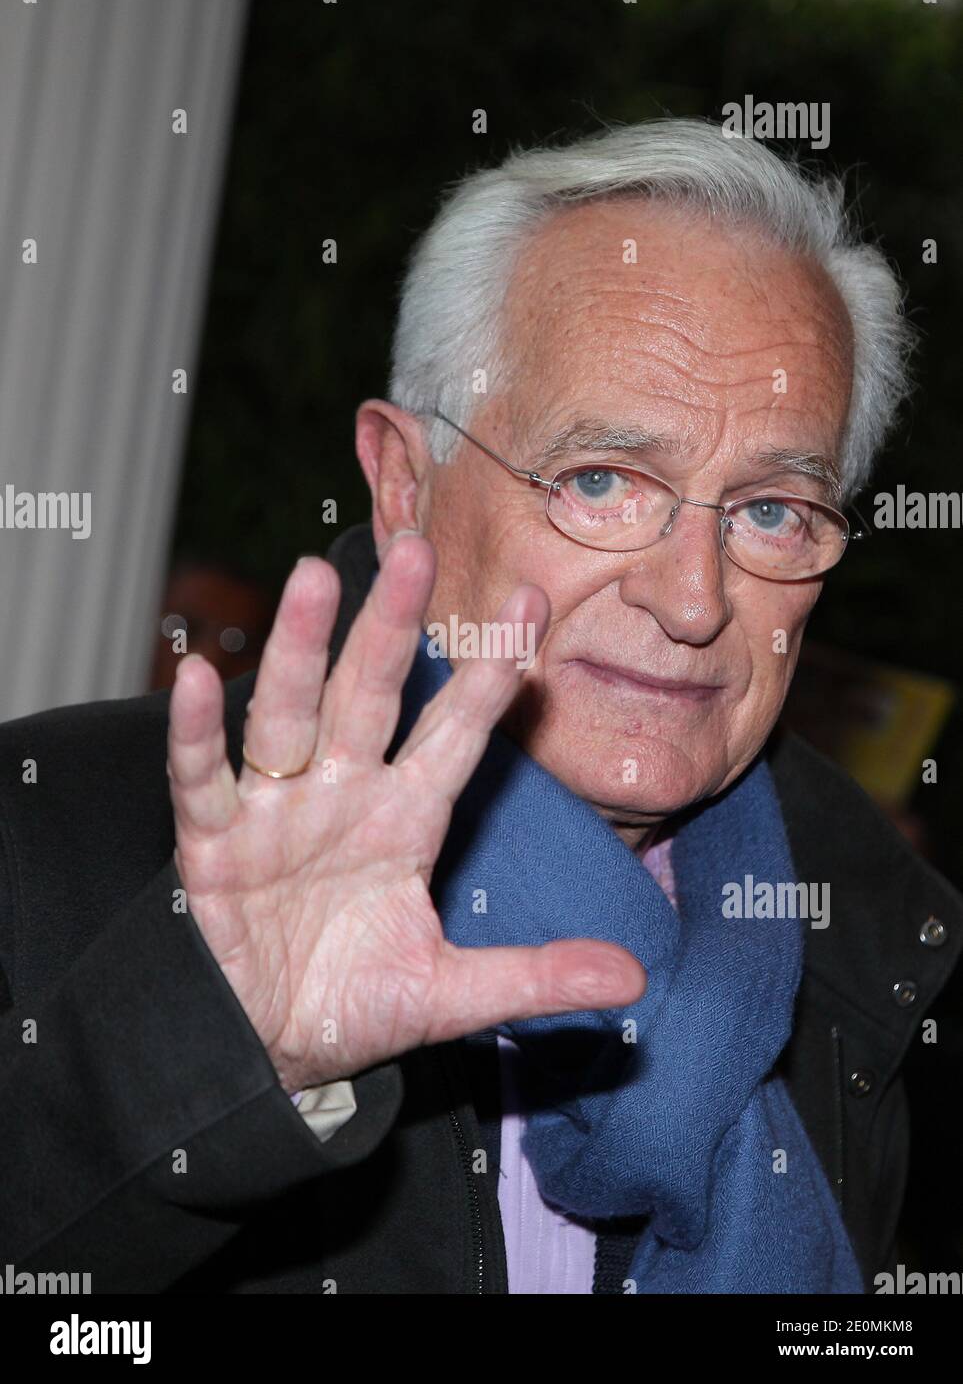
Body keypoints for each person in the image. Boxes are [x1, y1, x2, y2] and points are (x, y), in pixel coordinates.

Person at [1, 118, 960, 1295]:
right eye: (601, 483)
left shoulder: (863, 940)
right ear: (406, 482)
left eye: (771, 511)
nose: (694, 599)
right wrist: (197, 1060)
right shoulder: (47, 839)